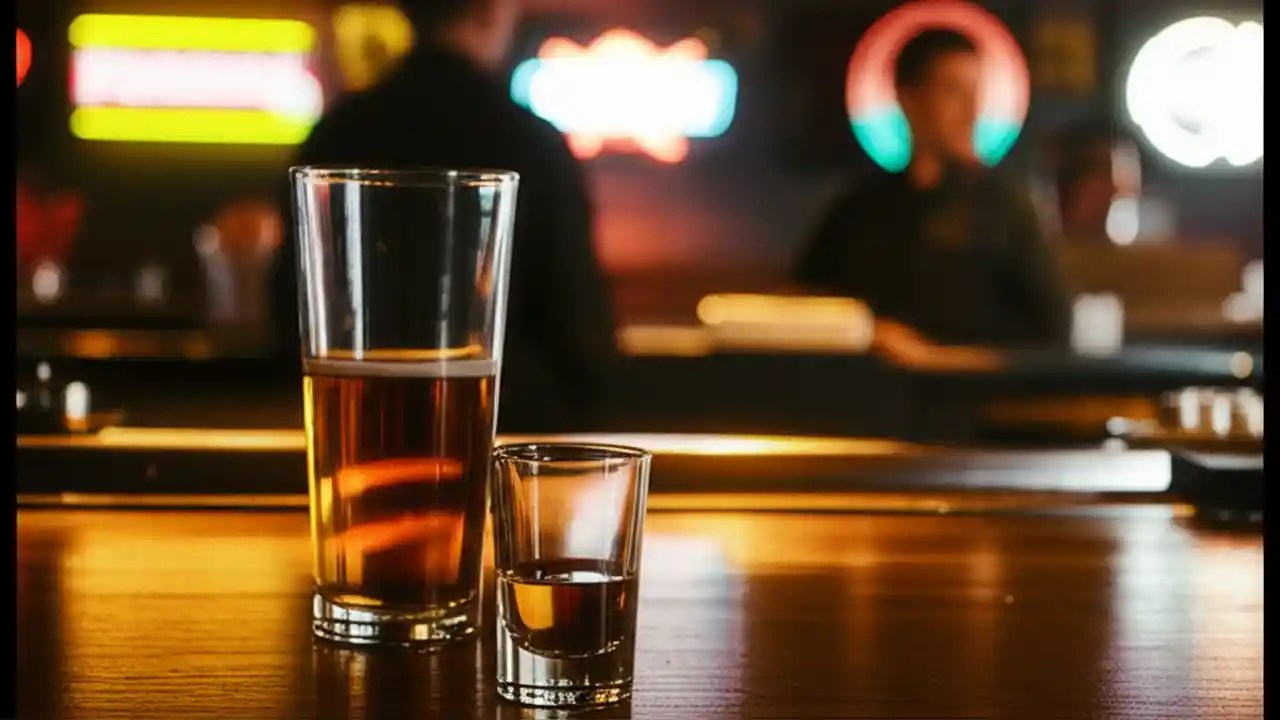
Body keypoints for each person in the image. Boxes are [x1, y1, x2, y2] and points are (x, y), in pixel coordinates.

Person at [271, 0, 619, 430]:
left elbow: (290, 315)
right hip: (500, 441)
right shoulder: (534, 144)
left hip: (360, 432)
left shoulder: (335, 135)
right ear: (493, 11)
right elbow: (580, 334)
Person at [794, 29, 1071, 347]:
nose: (972, 111)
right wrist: (873, 336)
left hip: (976, 395)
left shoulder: (1006, 207)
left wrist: (939, 360)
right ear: (908, 97)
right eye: (953, 91)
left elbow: (1053, 330)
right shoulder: (856, 210)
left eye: (976, 93)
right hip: (870, 394)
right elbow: (809, 312)